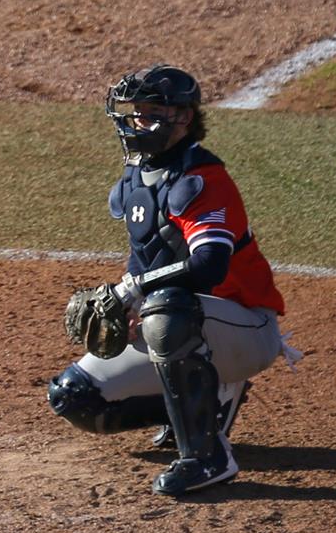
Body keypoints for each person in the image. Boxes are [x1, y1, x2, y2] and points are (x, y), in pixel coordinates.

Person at [48, 64, 290, 496]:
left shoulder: (203, 180)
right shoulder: (137, 177)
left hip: (245, 325)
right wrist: (130, 297)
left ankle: (206, 457)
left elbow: (210, 265)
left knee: (165, 311)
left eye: (150, 112)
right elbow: (149, 259)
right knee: (75, 398)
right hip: (185, 322)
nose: (137, 122)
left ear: (183, 118)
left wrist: (137, 292)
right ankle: (207, 404)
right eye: (134, 112)